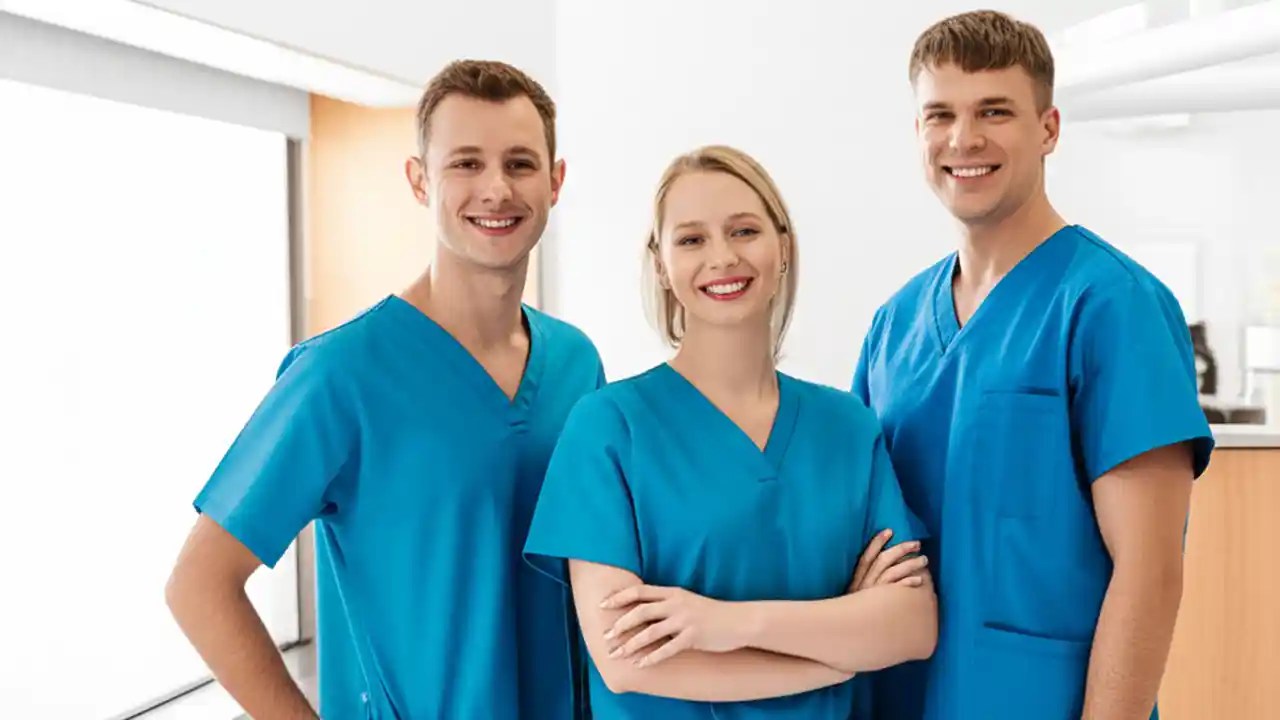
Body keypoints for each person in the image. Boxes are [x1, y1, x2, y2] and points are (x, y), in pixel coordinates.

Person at [164, 59, 603, 720]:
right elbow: (199, 584)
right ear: (419, 181)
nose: (496, 189)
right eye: (464, 163)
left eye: (519, 163)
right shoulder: (342, 375)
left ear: (555, 180)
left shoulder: (576, 364)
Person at [851, 11, 1215, 720]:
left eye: (995, 111)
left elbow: (1150, 574)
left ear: (1048, 129)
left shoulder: (1113, 307)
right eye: (940, 115)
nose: (964, 139)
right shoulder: (893, 326)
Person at [523, 145, 937, 719]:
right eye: (691, 239)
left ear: (783, 248)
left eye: (744, 230)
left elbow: (911, 625)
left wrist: (725, 622)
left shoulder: (847, 426)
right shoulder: (608, 429)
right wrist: (840, 655)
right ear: (662, 264)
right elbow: (628, 661)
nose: (722, 257)